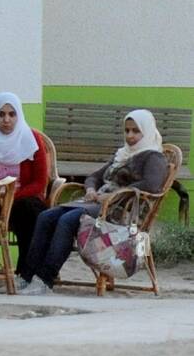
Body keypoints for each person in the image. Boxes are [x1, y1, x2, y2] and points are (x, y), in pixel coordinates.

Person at [19, 110, 168, 296]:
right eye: (127, 130)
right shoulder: (122, 154)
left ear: (146, 131)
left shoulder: (153, 157)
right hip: (99, 203)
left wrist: (115, 194)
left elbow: (152, 185)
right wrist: (90, 190)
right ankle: (26, 276)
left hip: (121, 211)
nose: (130, 136)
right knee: (46, 216)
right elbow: (95, 177)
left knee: (69, 220)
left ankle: (45, 279)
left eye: (136, 131)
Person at [0, 92, 49, 281]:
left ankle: (25, 272)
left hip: (21, 197)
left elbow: (39, 182)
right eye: (1, 114)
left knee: (29, 209)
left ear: (19, 115)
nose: (6, 120)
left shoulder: (32, 139)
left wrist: (12, 196)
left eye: (12, 114)